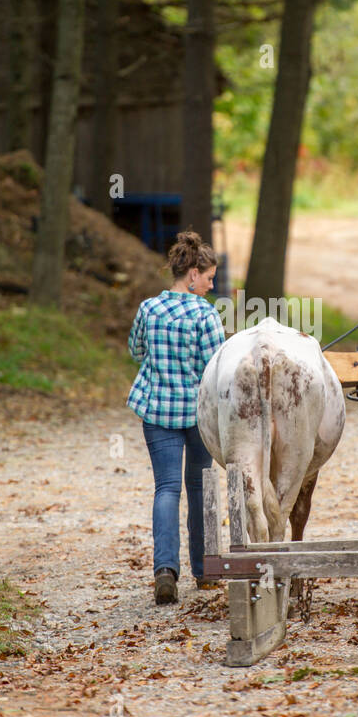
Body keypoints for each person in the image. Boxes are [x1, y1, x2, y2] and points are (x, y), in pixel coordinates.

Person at [127, 229, 226, 605]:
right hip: (197, 416)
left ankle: (165, 571)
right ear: (192, 275)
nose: (211, 285)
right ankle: (204, 571)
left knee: (166, 489)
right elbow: (214, 368)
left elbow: (136, 350)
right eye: (209, 278)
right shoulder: (204, 314)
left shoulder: (149, 309)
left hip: (157, 412)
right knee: (200, 488)